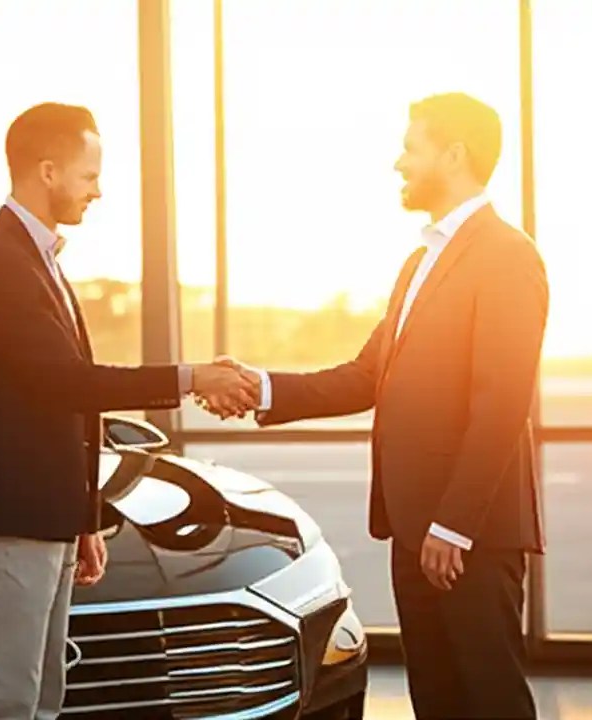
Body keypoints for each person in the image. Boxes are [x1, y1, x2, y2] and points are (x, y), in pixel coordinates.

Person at [222, 92, 546, 719]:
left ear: (453, 155)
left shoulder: (507, 256)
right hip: (417, 530)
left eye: (411, 147)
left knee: (490, 698)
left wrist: (454, 524)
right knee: (437, 699)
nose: (400, 163)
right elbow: (367, 375)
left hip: (467, 535)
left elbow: (502, 401)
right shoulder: (419, 262)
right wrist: (261, 387)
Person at [0, 102, 258, 719]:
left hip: (42, 518)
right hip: (11, 521)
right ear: (48, 171)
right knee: (3, 701)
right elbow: (67, 384)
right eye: (89, 176)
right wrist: (193, 377)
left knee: (41, 698)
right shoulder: (0, 264)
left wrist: (80, 518)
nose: (98, 191)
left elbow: (49, 405)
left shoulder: (39, 261)